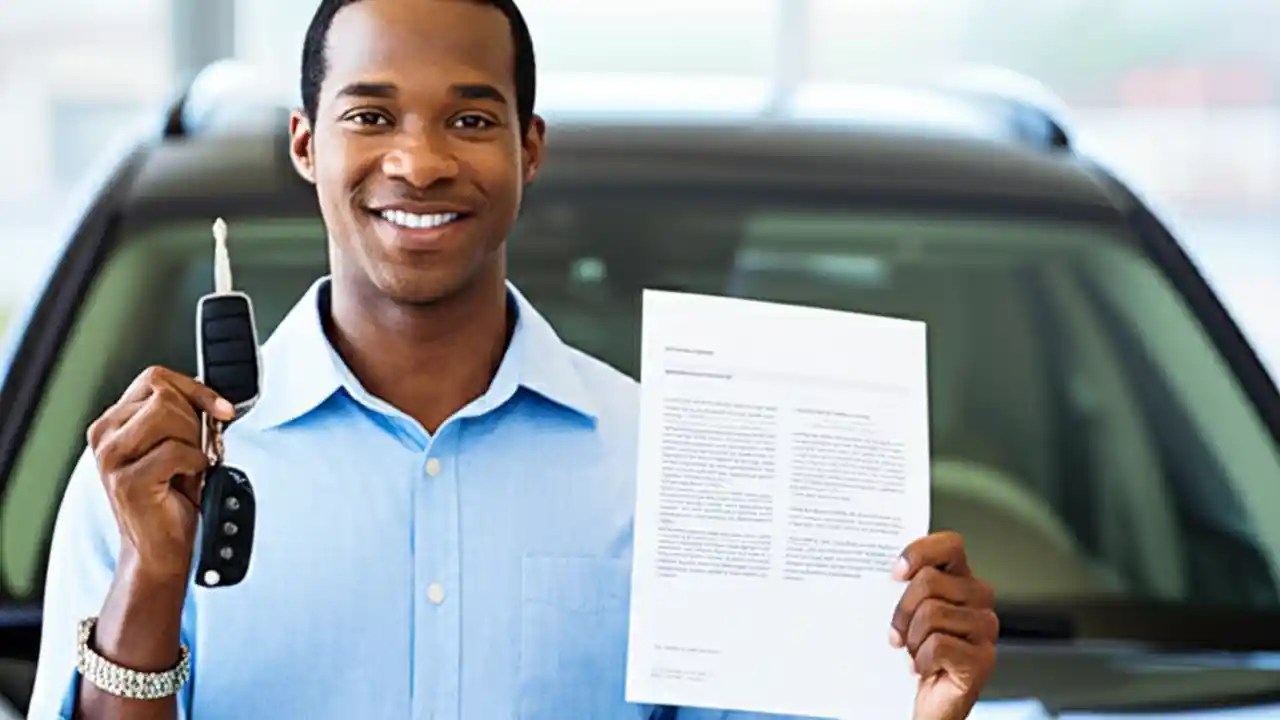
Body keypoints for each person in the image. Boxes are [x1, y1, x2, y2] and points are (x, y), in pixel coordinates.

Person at [29, 0, 999, 718]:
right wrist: (150, 584)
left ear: (529, 148)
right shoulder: (146, 478)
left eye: (470, 118)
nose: (418, 161)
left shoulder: (672, 467)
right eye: (370, 115)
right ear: (305, 144)